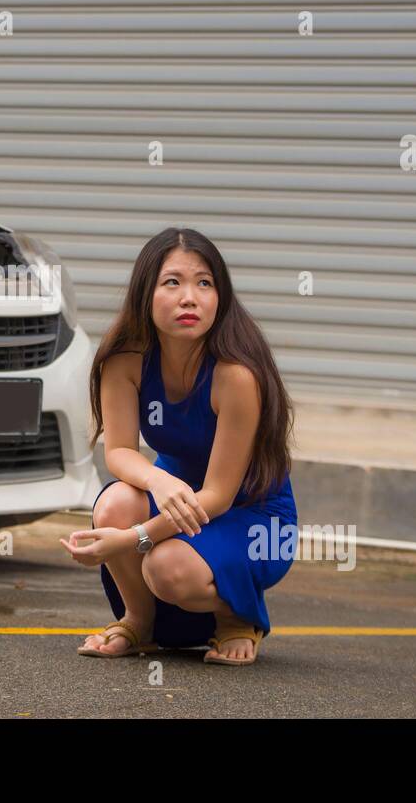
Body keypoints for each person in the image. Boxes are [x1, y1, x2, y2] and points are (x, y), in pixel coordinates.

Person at [59, 227, 298, 665]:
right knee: (113, 503)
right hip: (178, 495)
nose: (190, 298)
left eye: (204, 283)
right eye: (173, 282)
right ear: (145, 293)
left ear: (220, 296)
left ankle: (237, 618)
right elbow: (119, 453)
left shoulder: (235, 376)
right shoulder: (124, 361)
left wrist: (131, 539)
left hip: (251, 515)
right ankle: (138, 622)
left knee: (165, 566)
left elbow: (218, 497)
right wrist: (158, 479)